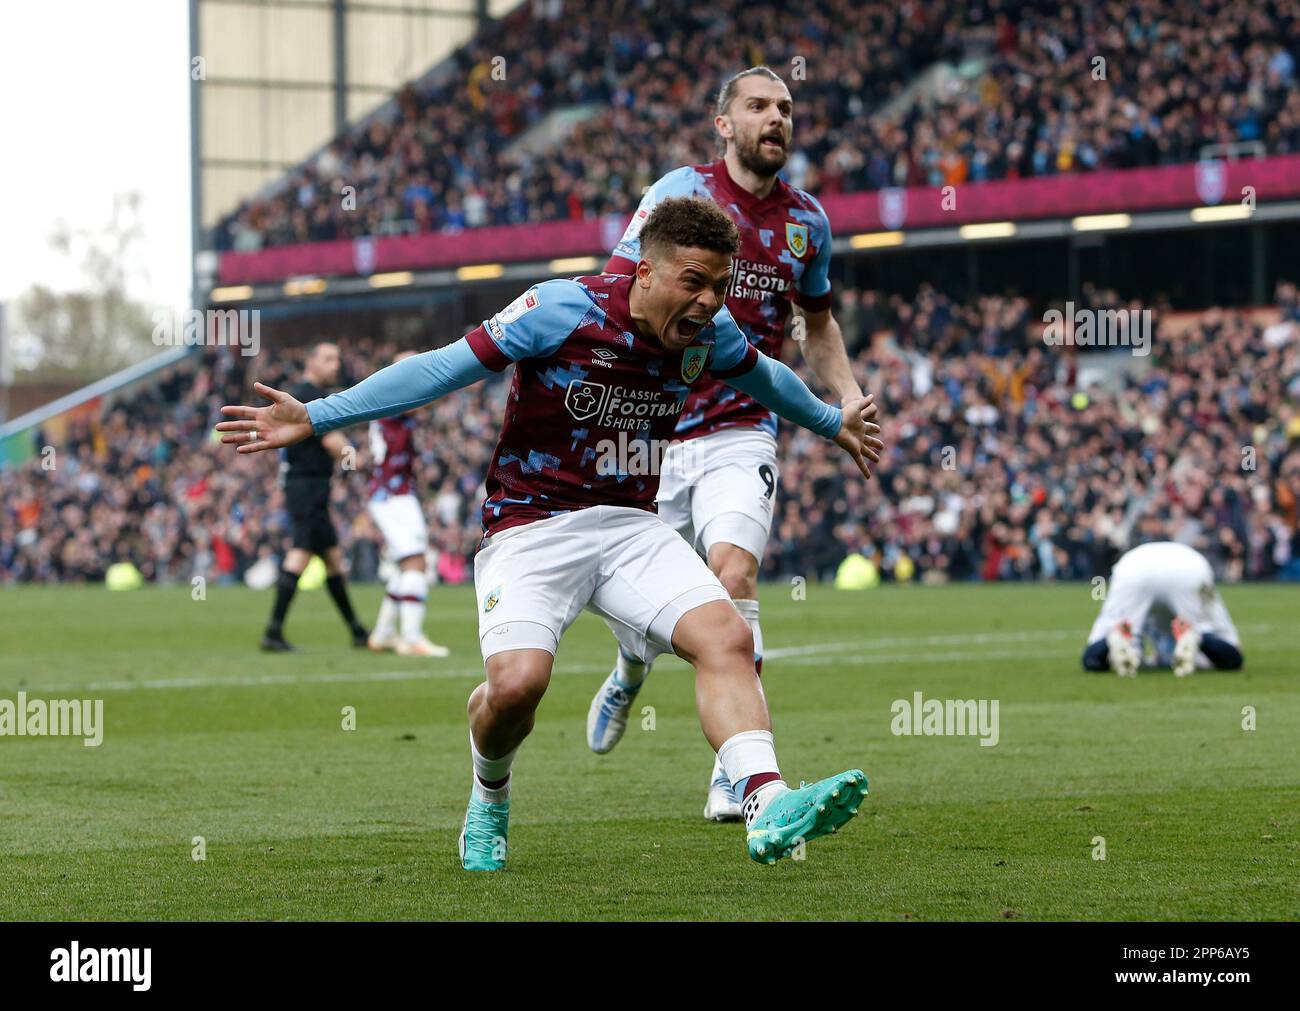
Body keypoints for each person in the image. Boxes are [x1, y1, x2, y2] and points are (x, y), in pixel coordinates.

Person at [217, 196, 881, 870]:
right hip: (530, 527)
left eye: (720, 284)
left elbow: (766, 377)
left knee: (727, 636)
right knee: (516, 689)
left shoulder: (710, 335)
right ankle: (489, 793)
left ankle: (765, 803)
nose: (710, 300)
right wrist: (321, 415)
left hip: (628, 527)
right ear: (645, 271)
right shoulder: (564, 308)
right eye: (694, 281)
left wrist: (833, 421)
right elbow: (443, 366)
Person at [586, 66, 866, 821]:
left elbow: (819, 322)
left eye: (785, 108)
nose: (776, 118)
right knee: (636, 601)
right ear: (723, 123)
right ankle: (629, 667)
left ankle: (736, 772)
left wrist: (845, 395)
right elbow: (621, 280)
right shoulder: (681, 190)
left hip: (742, 429)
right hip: (655, 425)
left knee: (732, 573)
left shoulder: (808, 222)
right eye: (758, 106)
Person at [261, 341, 369, 652]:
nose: (335, 364)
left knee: (333, 559)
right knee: (301, 552)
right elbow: (332, 441)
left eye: (337, 358)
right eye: (328, 358)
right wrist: (358, 460)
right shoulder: (307, 394)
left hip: (310, 486)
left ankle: (357, 630)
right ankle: (273, 631)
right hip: (307, 487)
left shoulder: (305, 393)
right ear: (311, 362)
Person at [365, 353, 451, 658]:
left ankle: (383, 634)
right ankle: (412, 637)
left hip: (393, 493)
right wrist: (452, 379)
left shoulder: (387, 397)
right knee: (417, 562)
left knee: (407, 564)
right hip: (392, 495)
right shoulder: (391, 396)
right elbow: (422, 402)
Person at [1082, 541, 1244, 677]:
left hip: (1133, 568)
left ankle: (1116, 636)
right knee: (1228, 653)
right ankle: (1195, 636)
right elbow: (1236, 657)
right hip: (1189, 567)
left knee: (1095, 655)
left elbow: (1088, 659)